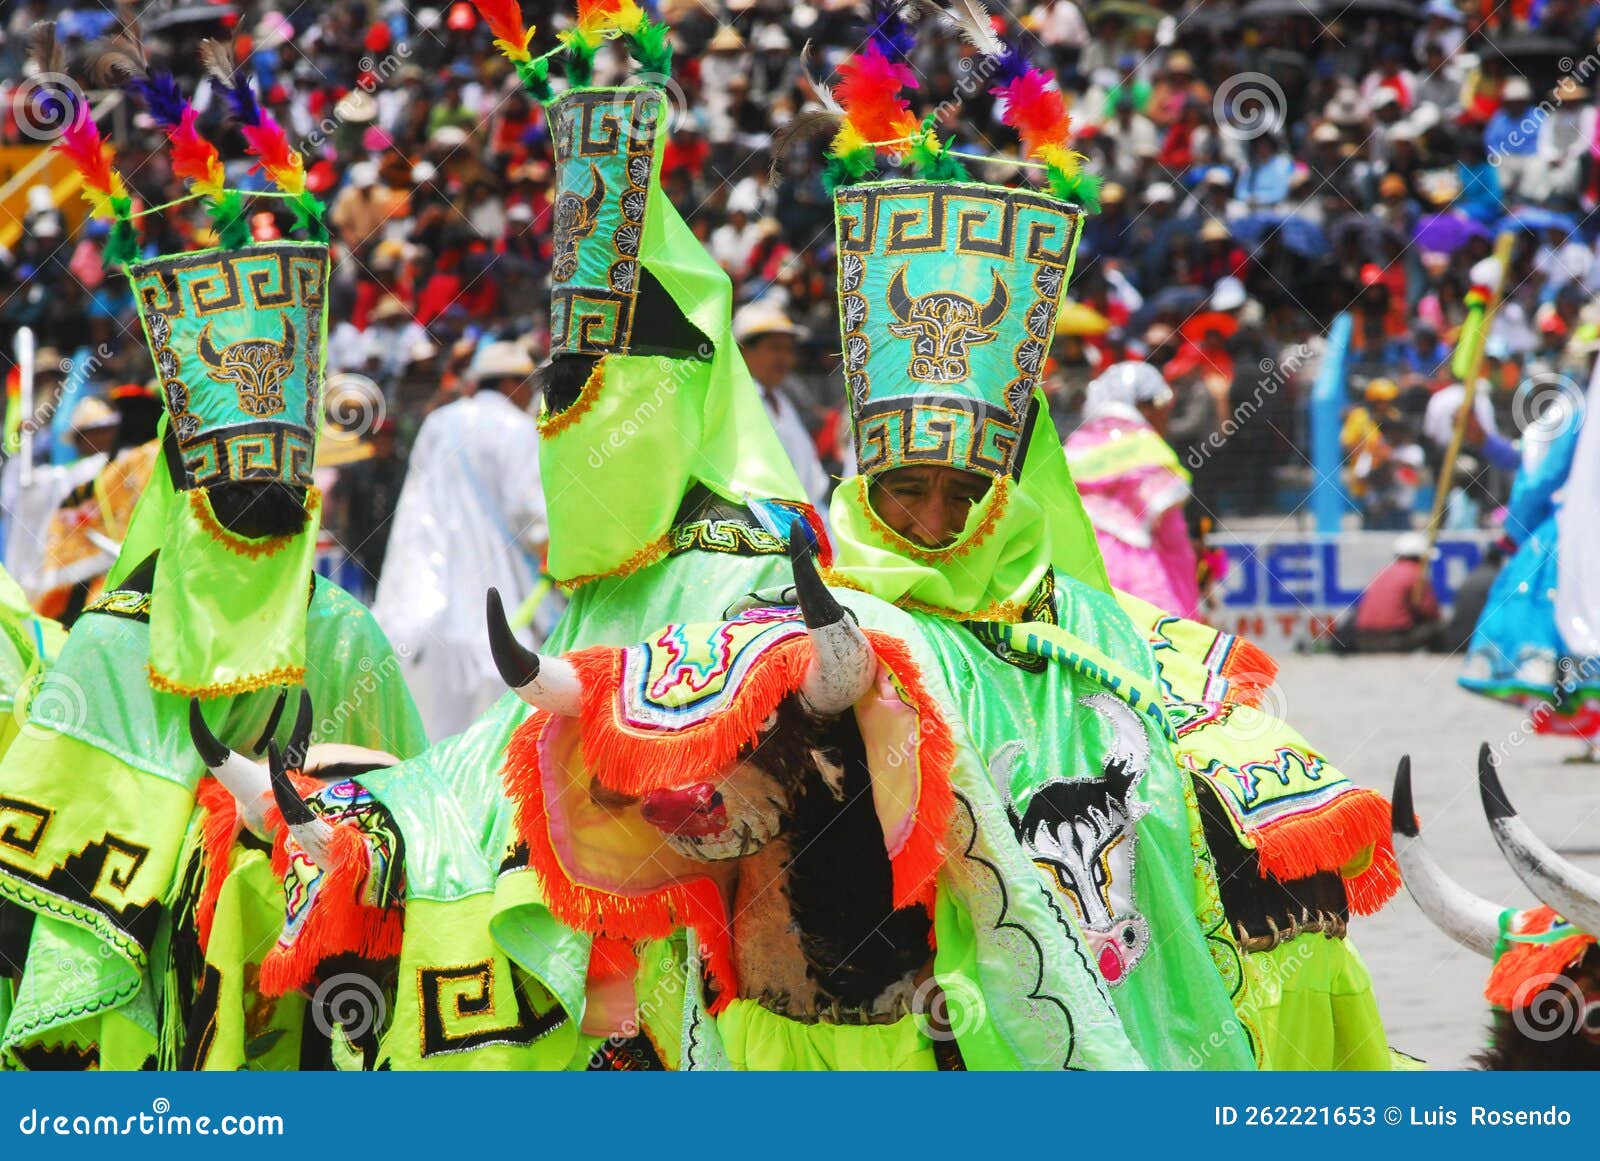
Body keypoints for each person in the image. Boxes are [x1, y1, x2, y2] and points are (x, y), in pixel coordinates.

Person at [0, 57, 423, 1070]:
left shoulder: (346, 636)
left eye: (277, 514)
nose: (258, 541)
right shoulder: (112, 642)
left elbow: (415, 828)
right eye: (236, 510)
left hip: (310, 1008)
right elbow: (39, 876)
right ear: (185, 506)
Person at [373, 339, 549, 739]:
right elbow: (534, 519)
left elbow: (417, 503)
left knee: (435, 727)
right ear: (511, 385)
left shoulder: (439, 422)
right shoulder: (518, 429)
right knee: (493, 730)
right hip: (500, 601)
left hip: (424, 604)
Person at [1065, 361, 1202, 617]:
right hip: (1136, 578)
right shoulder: (1147, 449)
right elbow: (1173, 539)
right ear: (1147, 408)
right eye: (1165, 408)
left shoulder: (1074, 447)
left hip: (1075, 575)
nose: (1167, 418)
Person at [732, 302, 835, 509]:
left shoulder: (782, 401)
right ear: (743, 351)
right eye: (775, 348)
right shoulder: (735, 400)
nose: (785, 359)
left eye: (789, 350)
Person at [1351, 532, 1443, 652]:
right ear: (1421, 558)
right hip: (1394, 641)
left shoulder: (1382, 573)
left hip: (1362, 639)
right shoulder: (1416, 575)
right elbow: (1431, 612)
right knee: (1437, 627)